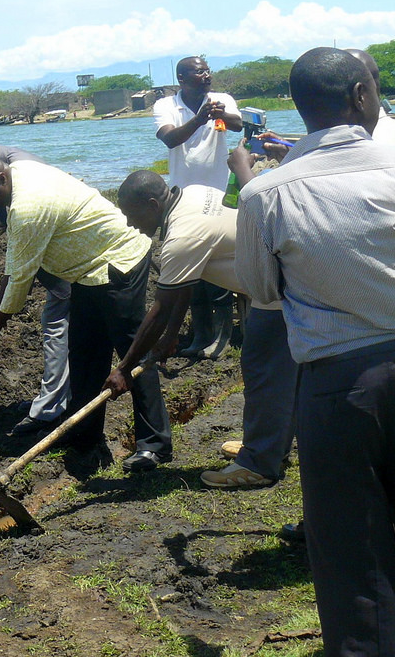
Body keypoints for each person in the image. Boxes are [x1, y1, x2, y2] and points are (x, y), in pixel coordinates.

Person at [234, 47, 395, 656]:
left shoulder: (263, 194)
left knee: (351, 549)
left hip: (334, 384)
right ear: (362, 98)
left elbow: (262, 290)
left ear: (299, 107)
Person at [0, 156, 172, 473]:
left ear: (1, 179)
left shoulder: (27, 209)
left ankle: (154, 445)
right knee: (84, 355)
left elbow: (21, 279)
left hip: (118, 262)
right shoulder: (20, 171)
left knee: (133, 353)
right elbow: (13, 263)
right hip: (86, 273)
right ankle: (83, 435)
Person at [104, 170, 297, 487]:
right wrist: (169, 338)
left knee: (263, 372)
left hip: (278, 294)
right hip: (280, 282)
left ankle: (260, 463)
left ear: (152, 205)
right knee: (277, 375)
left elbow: (161, 308)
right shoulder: (192, 194)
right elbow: (186, 284)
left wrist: (124, 367)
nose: (128, 223)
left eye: (130, 214)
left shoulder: (183, 237)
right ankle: (269, 446)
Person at [0, 127, 71, 435]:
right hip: (51, 249)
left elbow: (21, 268)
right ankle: (58, 400)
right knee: (64, 323)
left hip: (66, 253)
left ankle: (50, 407)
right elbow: (17, 256)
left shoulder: (23, 171)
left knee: (57, 322)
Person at [153, 56, 243, 360]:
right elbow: (169, 138)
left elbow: (238, 125)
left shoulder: (221, 99)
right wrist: (199, 118)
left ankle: (221, 336)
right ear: (182, 78)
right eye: (199, 72)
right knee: (194, 271)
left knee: (217, 262)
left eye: (208, 70)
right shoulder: (167, 106)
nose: (207, 75)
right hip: (183, 196)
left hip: (219, 194)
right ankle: (200, 334)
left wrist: (220, 113)